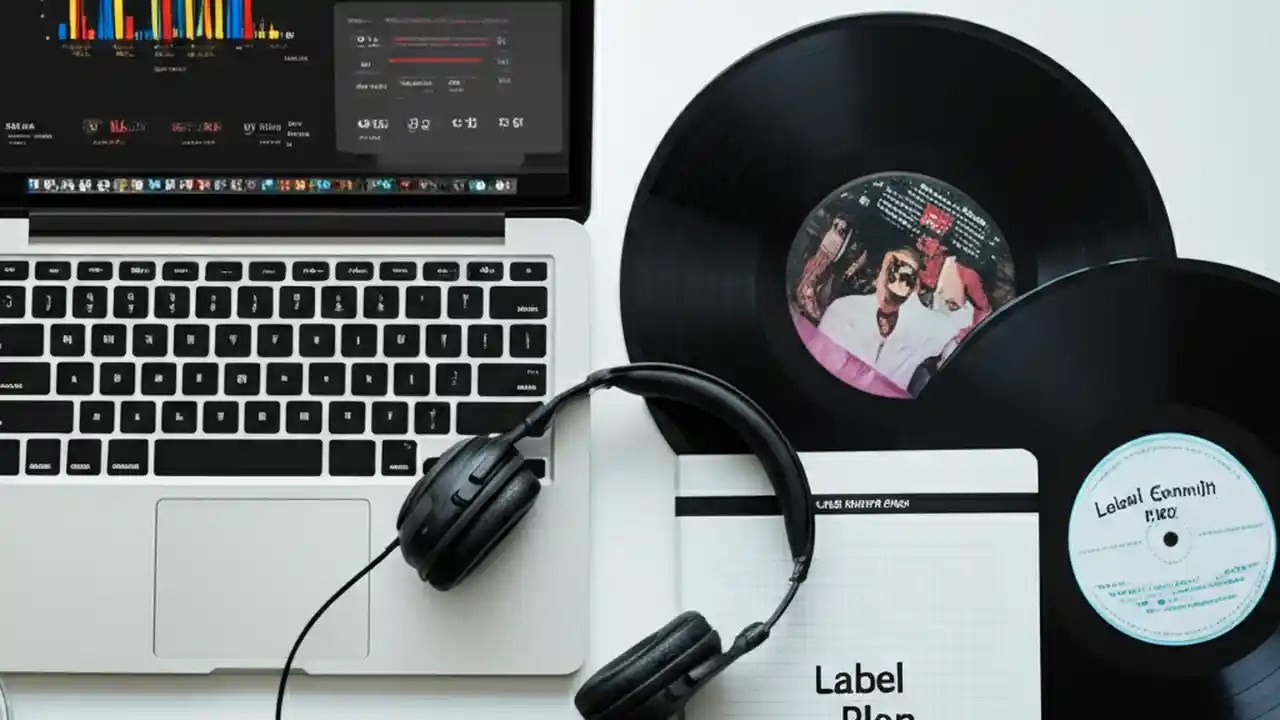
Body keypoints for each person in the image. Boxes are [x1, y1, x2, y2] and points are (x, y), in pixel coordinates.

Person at [802, 245, 966, 396]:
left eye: (907, 277)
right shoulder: (844, 310)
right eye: (893, 270)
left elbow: (956, 353)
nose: (899, 281)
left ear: (915, 286)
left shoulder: (929, 326)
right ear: (879, 275)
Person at [794, 213, 852, 318]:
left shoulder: (842, 227)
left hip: (829, 251)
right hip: (826, 249)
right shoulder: (839, 223)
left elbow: (842, 244)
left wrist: (835, 257)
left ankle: (805, 299)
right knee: (812, 274)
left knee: (814, 274)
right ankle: (805, 299)